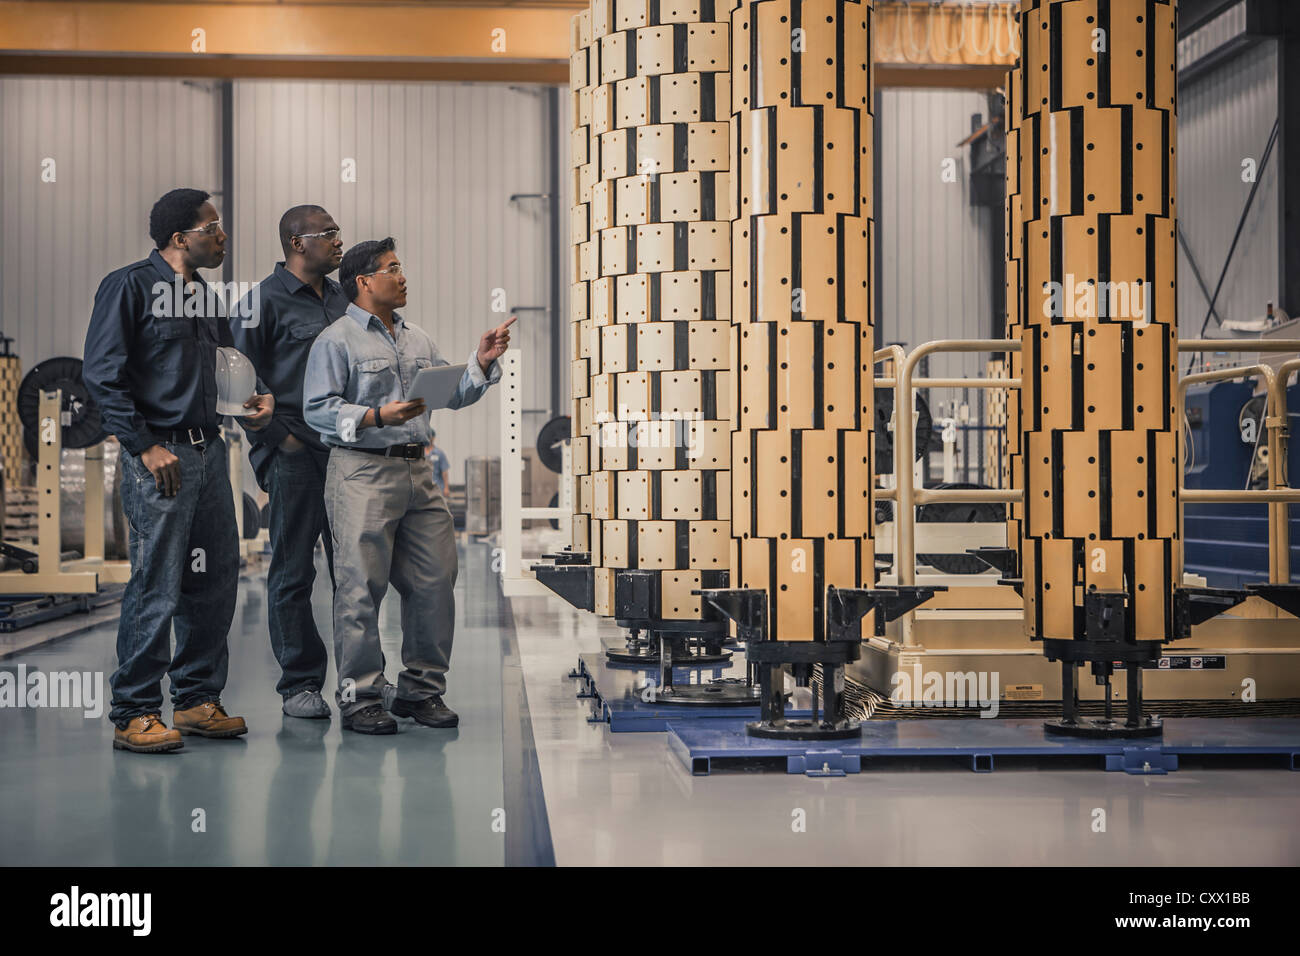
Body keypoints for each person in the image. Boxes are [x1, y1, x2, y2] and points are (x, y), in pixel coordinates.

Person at [83, 187, 273, 753]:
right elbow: (102, 375)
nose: (221, 237)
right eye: (212, 228)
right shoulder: (128, 287)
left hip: (209, 453)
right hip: (158, 458)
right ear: (178, 238)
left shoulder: (207, 300)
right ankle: (134, 711)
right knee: (156, 582)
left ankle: (194, 700)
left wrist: (253, 404)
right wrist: (143, 446)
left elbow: (224, 371)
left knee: (213, 582)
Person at [303, 237, 514, 734]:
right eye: (392, 268)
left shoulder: (417, 338)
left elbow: (450, 394)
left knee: (435, 583)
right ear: (364, 281)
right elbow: (319, 412)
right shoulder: (336, 341)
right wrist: (376, 415)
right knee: (360, 589)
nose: (403, 277)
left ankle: (421, 691)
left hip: (419, 472)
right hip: (362, 471)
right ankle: (361, 698)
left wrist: (480, 362)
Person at [231, 205, 347, 719]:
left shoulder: (346, 299)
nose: (339, 241)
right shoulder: (261, 304)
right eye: (329, 233)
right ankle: (299, 683)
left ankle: (362, 679)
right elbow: (237, 386)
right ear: (297, 244)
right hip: (295, 455)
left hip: (349, 453)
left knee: (356, 573)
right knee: (294, 572)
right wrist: (281, 440)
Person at [424, 429, 451, 496]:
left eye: (430, 437)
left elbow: (444, 472)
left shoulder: (439, 453)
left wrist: (446, 487)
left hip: (437, 486)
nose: (429, 439)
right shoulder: (421, 452)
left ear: (433, 438)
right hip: (423, 486)